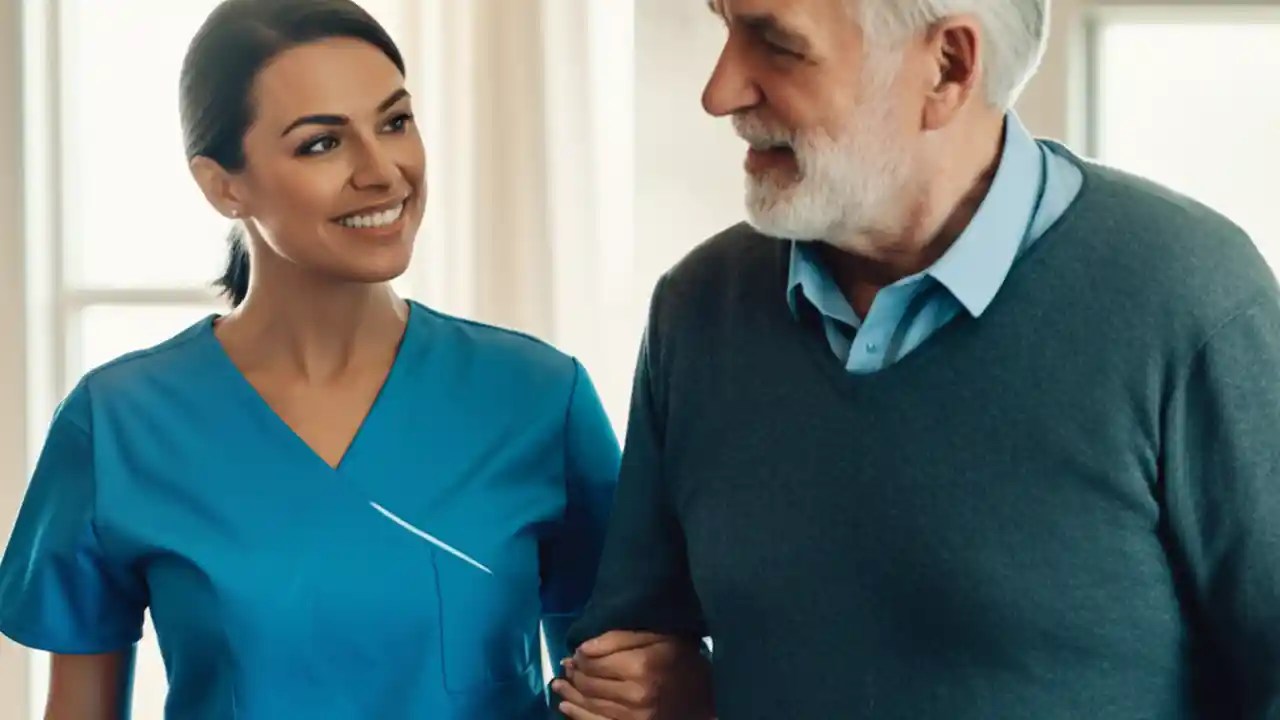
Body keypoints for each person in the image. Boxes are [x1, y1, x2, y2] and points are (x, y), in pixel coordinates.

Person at [557, 0, 1280, 718]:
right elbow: (625, 671)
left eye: (777, 45)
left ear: (948, 67)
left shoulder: (1191, 301)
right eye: (728, 29)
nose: (719, 92)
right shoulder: (697, 309)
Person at [0, 1, 688, 718]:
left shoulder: (539, 399)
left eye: (395, 122)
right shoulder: (118, 426)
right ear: (223, 185)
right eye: (322, 144)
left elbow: (627, 685)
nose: (382, 171)